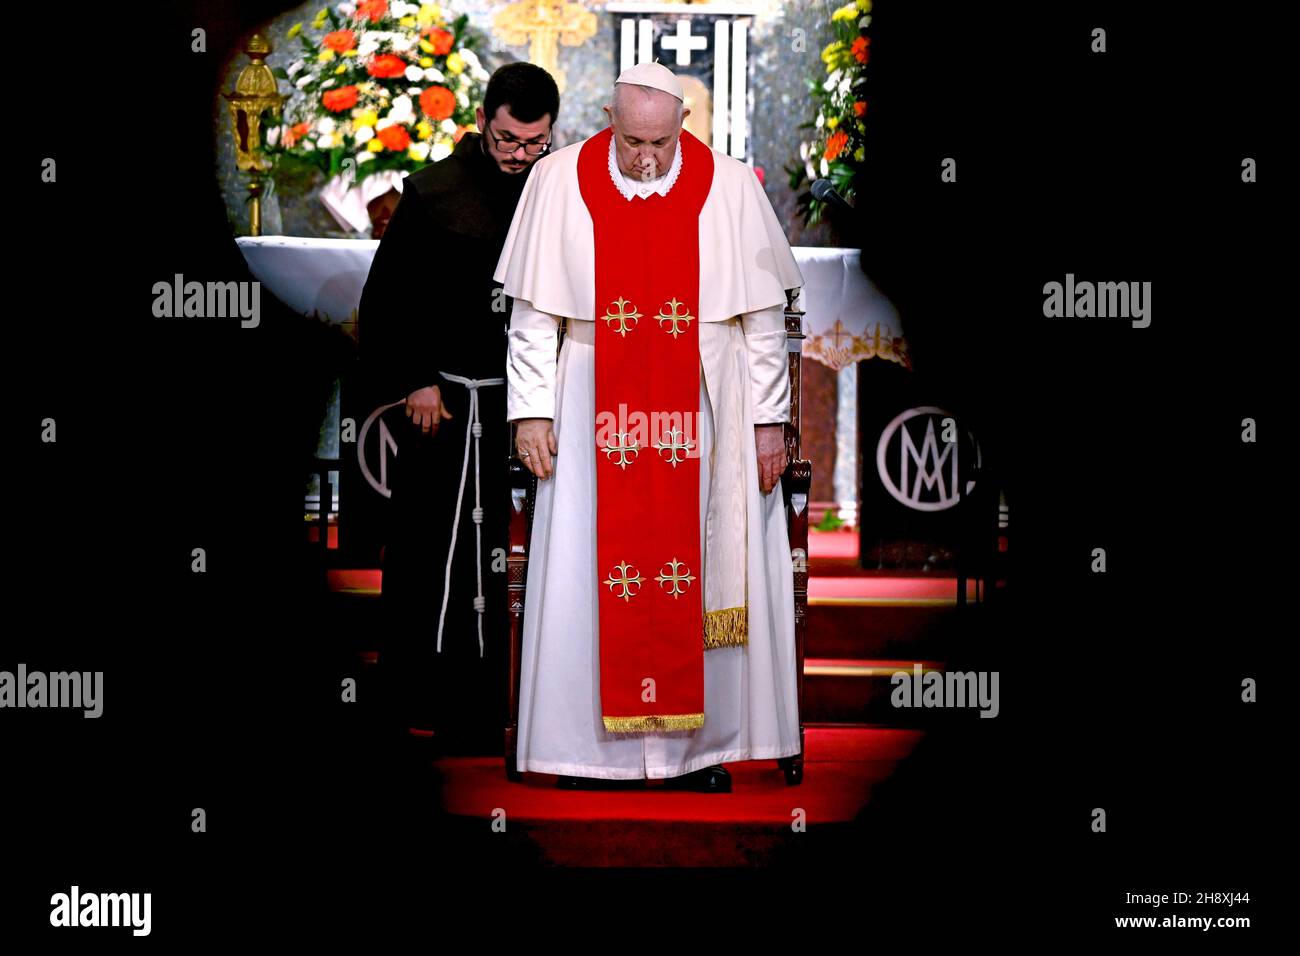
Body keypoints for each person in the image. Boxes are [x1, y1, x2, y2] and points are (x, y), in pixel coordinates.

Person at [496, 61, 804, 791]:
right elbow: (533, 316)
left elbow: (762, 320)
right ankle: (580, 754)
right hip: (587, 403)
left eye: (660, 143)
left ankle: (693, 754)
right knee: (582, 567)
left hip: (703, 405)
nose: (644, 156)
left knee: (702, 574)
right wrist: (531, 410)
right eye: (631, 139)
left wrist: (768, 422)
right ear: (610, 121)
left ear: (682, 127)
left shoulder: (728, 186)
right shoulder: (558, 180)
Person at [358, 61, 560, 750]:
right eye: (507, 140)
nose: (518, 156)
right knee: (425, 550)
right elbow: (389, 297)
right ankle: (417, 699)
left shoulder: (558, 193)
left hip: (523, 409)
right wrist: (416, 376)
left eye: (534, 143)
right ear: (481, 122)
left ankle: (501, 706)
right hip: (441, 405)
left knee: (515, 557)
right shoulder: (433, 192)